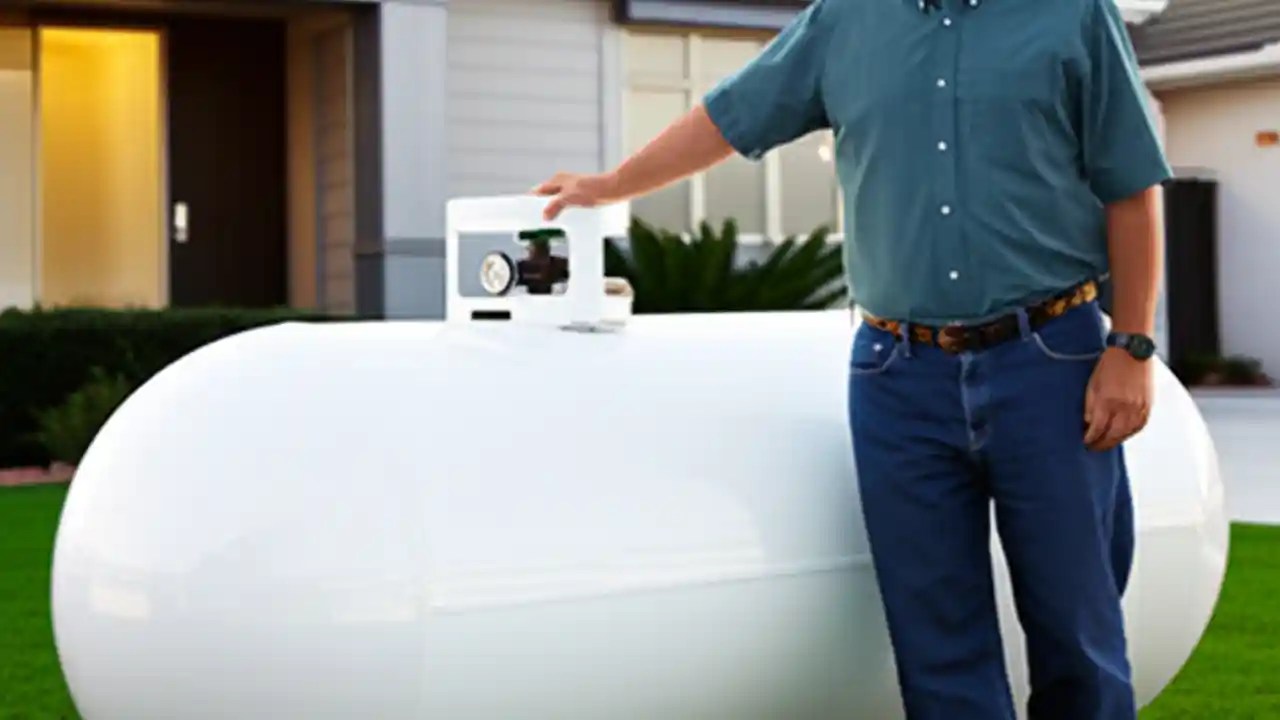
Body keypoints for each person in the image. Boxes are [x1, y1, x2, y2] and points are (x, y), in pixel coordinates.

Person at [532, 0, 1170, 717]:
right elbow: (726, 116)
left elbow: (1131, 186)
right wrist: (612, 186)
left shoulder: (1071, 14)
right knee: (937, 646)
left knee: (1077, 631)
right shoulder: (845, 20)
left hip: (1051, 361)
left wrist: (1132, 346)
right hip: (898, 376)